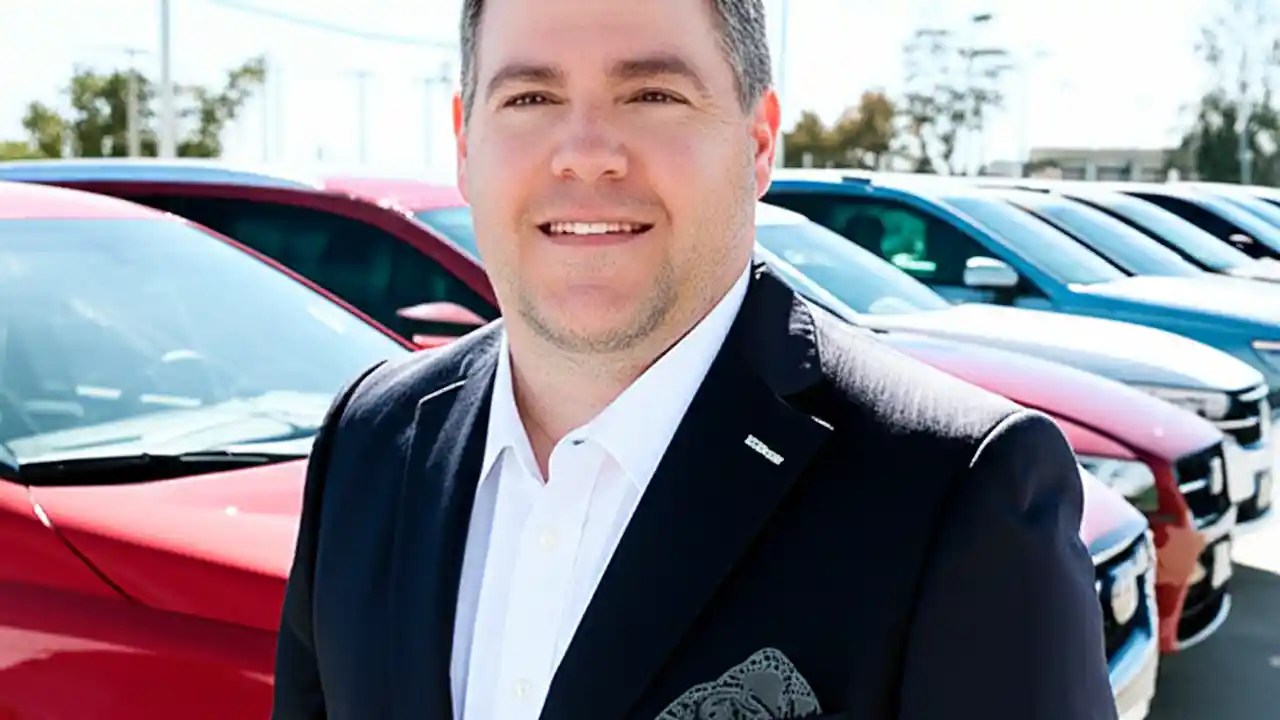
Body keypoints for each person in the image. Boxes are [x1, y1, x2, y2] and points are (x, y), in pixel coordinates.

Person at [270, 0, 1117, 718]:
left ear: (757, 143)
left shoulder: (954, 490)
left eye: (651, 93)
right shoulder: (370, 442)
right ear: (464, 143)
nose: (587, 151)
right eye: (530, 95)